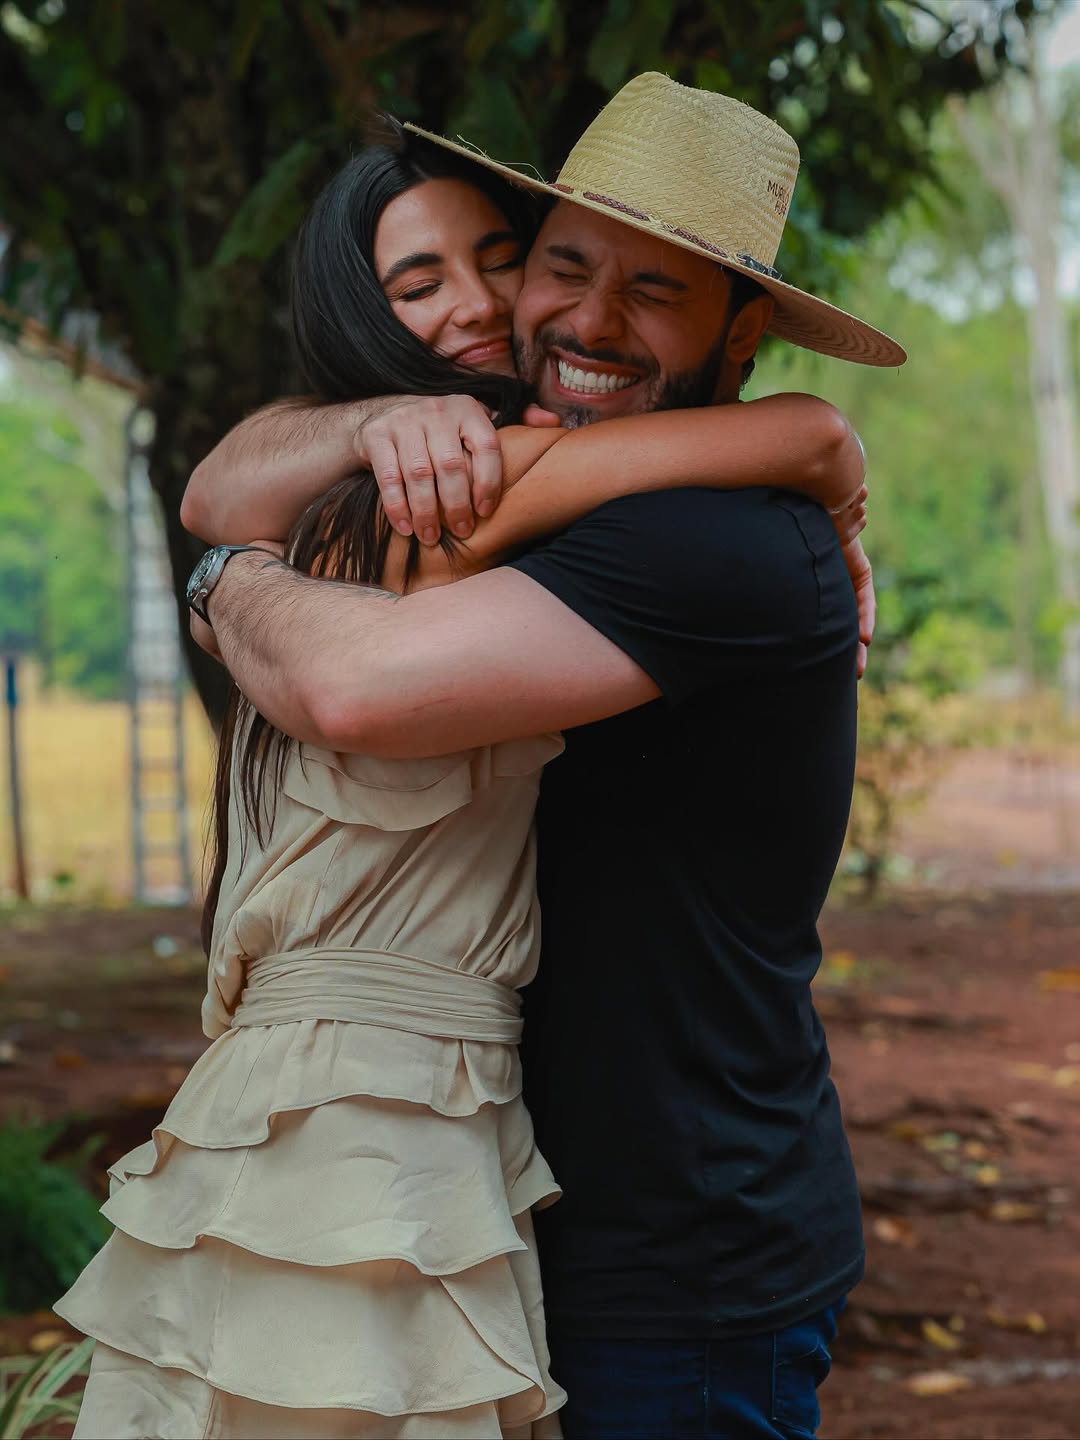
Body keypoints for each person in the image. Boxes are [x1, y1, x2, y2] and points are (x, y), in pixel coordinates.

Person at [55, 102, 873, 1440]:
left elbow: (345, 674)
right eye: (561, 266)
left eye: (655, 289)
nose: (581, 319)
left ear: (739, 330)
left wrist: (809, 442)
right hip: (425, 1175)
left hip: (672, 1247)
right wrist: (814, 437)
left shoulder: (703, 545)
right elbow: (221, 489)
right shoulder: (451, 491)